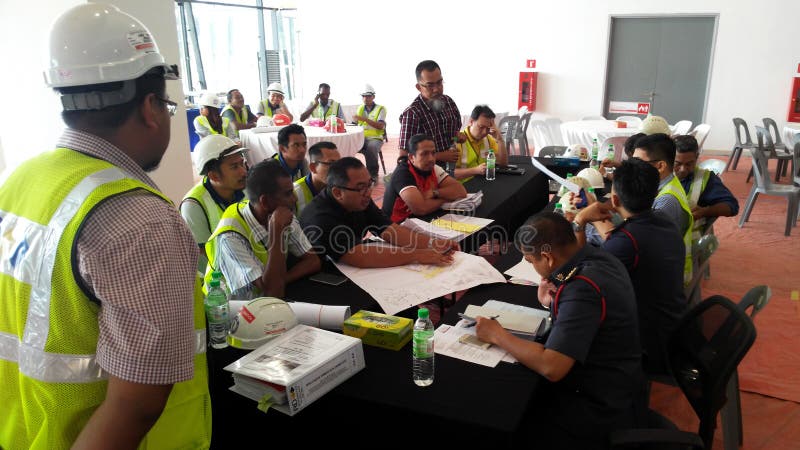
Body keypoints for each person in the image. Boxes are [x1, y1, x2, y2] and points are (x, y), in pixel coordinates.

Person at [0, 4, 211, 449]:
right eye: (168, 105)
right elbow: (135, 405)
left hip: (25, 429)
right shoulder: (142, 223)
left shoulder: (24, 178)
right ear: (152, 107)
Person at [475, 212, 642, 449]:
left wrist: (497, 334)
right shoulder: (599, 257)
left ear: (547, 257)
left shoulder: (581, 288)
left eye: (530, 261)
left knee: (510, 418)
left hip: (599, 403)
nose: (531, 266)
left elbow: (552, 367)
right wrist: (553, 303)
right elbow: (591, 312)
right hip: (624, 379)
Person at [572, 159, 685, 375]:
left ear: (614, 199)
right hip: (672, 328)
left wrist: (579, 221)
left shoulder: (626, 243)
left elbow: (578, 275)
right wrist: (590, 212)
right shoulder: (662, 218)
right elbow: (621, 241)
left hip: (646, 344)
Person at [299, 157, 459, 268]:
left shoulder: (360, 199)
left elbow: (390, 230)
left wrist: (433, 243)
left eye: (370, 184)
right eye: (361, 187)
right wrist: (417, 255)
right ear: (338, 193)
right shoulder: (320, 217)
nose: (368, 192)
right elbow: (359, 255)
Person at [205, 160, 321, 299]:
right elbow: (272, 294)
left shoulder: (280, 213)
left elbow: (313, 261)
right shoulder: (230, 236)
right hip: (227, 311)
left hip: (263, 304)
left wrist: (280, 280)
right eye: (288, 193)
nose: (294, 198)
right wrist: (276, 232)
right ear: (265, 202)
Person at [180, 134, 249, 273]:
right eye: (234, 167)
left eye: (242, 164)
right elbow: (203, 259)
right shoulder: (193, 205)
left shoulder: (246, 189)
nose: (243, 172)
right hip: (216, 283)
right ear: (214, 176)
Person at [632, 133, 694, 285]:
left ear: (660, 166)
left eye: (637, 162)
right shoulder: (666, 185)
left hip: (664, 281)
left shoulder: (666, 201)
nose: (633, 168)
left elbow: (640, 246)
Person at [382, 134, 467, 223]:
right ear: (411, 157)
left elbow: (460, 191)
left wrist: (434, 193)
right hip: (396, 226)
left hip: (421, 220)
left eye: (433, 153)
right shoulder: (402, 174)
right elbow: (421, 209)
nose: (431, 159)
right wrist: (446, 198)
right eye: (424, 154)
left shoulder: (432, 167)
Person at [673, 135, 739, 240]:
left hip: (688, 245)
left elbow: (732, 206)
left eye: (689, 164)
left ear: (696, 157)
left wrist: (706, 211)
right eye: (677, 164)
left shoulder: (706, 179)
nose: (683, 169)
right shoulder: (659, 174)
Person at [398, 60, 463, 163]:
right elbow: (404, 157)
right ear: (419, 87)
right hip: (428, 171)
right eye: (430, 85)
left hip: (455, 165)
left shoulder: (449, 102)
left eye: (439, 82)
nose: (436, 89)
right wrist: (438, 156)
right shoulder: (413, 114)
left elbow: (454, 131)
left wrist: (457, 136)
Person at [454, 105, 509, 182]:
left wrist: (500, 139)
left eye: (488, 128)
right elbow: (450, 174)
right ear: (471, 122)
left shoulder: (488, 139)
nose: (484, 132)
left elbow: (503, 164)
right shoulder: (457, 141)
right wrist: (475, 170)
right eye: (481, 127)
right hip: (464, 186)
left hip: (483, 182)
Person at [294, 141, 341, 215]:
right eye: (331, 164)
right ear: (313, 167)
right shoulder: (294, 193)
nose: (338, 170)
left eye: (339, 164)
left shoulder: (341, 187)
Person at [353, 84, 386, 179]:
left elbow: (380, 126)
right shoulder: (360, 108)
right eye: (363, 96)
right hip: (361, 137)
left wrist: (364, 119)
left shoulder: (381, 109)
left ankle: (372, 174)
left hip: (375, 138)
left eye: (368, 96)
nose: (365, 98)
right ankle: (351, 173)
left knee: (371, 148)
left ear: (373, 96)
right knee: (348, 145)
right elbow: (355, 123)